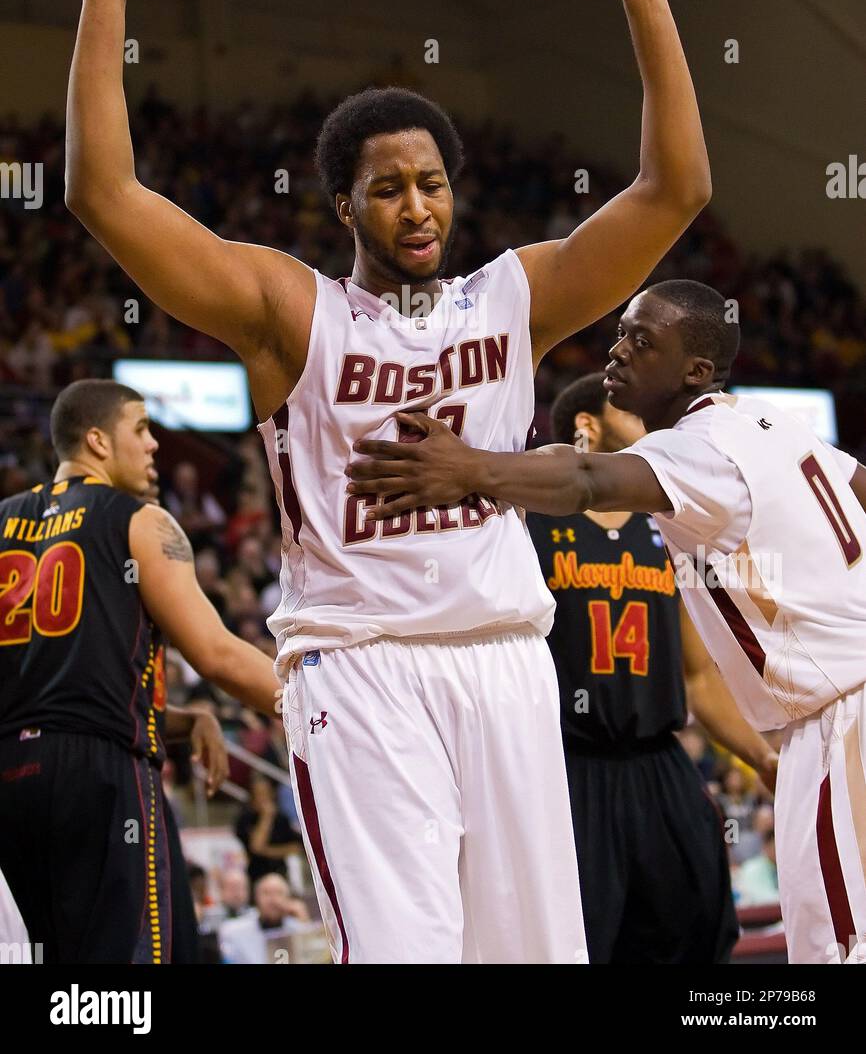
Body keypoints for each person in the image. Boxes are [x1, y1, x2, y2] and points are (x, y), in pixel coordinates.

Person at [65, 0, 710, 964]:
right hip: (360, 669)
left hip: (508, 661)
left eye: (432, 182)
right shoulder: (288, 310)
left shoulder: (513, 297)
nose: (416, 205)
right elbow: (103, 195)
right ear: (343, 203)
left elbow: (673, 191)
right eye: (387, 187)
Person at [347, 280, 866, 964]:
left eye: (642, 341)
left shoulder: (701, 448)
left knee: (838, 949)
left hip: (835, 722)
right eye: (621, 332)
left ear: (696, 371)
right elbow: (857, 483)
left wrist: (468, 467)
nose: (617, 351)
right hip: (780, 720)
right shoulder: (773, 422)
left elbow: (588, 481)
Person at [0, 379, 281, 964]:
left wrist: (182, 720)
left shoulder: (3, 523)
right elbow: (217, 655)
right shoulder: (141, 521)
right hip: (103, 774)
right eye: (142, 429)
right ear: (98, 441)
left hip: (14, 776)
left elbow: (59, 690)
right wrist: (322, 709)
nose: (155, 445)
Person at [530, 371, 775, 963]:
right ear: (587, 427)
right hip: (570, 767)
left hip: (660, 761)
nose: (646, 426)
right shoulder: (530, 524)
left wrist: (763, 756)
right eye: (628, 414)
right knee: (576, 943)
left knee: (696, 925)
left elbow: (699, 677)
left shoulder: (674, 531)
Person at [219, 873, 310, 965]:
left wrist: (303, 922)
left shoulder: (298, 929)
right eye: (266, 893)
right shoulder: (234, 931)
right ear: (256, 898)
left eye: (279, 893)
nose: (273, 899)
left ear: (288, 898)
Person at [235, 773, 302, 885]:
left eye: (266, 794)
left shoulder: (281, 819)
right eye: (259, 794)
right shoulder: (245, 818)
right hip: (256, 875)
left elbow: (296, 847)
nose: (263, 798)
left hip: (280, 873)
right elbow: (256, 847)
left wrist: (266, 850)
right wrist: (266, 817)